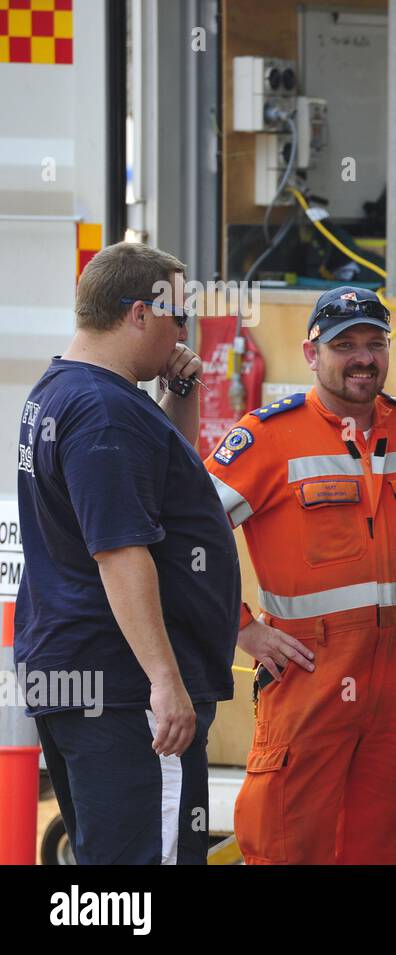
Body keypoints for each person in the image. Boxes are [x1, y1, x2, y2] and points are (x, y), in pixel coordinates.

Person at [204, 286, 396, 864]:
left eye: (374, 343)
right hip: (309, 676)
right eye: (345, 345)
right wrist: (240, 627)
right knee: (287, 842)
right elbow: (187, 535)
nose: (364, 357)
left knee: (393, 840)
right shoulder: (267, 437)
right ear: (312, 354)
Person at [15, 241, 240, 864]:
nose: (183, 331)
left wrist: (183, 393)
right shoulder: (103, 412)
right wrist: (164, 682)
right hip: (123, 688)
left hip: (87, 674)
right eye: (177, 315)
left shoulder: (75, 391)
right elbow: (120, 553)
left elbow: (163, 483)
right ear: (139, 313)